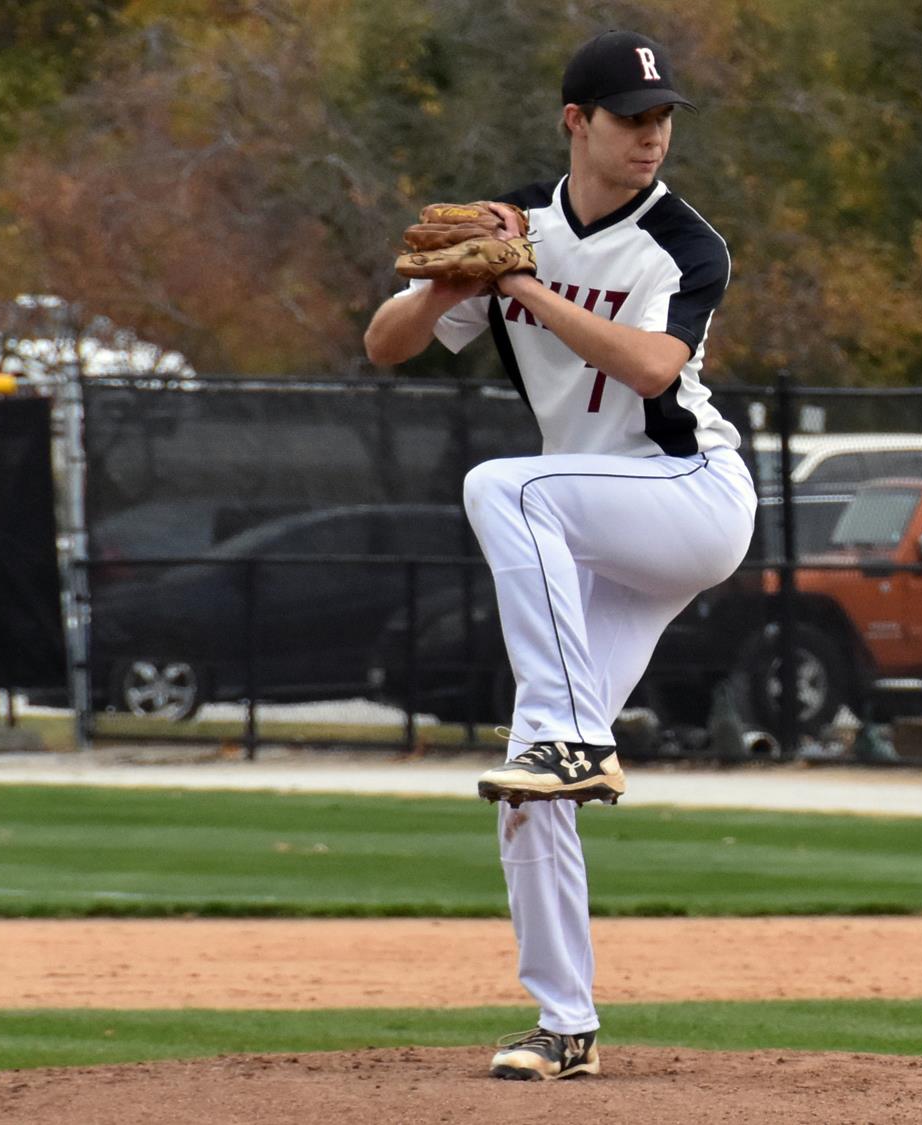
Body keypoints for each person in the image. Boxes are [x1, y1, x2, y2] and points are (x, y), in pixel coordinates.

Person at [362, 29, 756, 1080]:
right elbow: (382, 347)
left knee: (503, 483)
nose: (652, 135)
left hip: (690, 500)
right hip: (587, 525)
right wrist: (451, 290)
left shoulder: (683, 242)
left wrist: (523, 290)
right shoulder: (516, 223)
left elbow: (651, 366)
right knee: (529, 775)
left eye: (662, 116)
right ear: (574, 123)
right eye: (631, 118)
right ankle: (563, 1025)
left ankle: (576, 734)